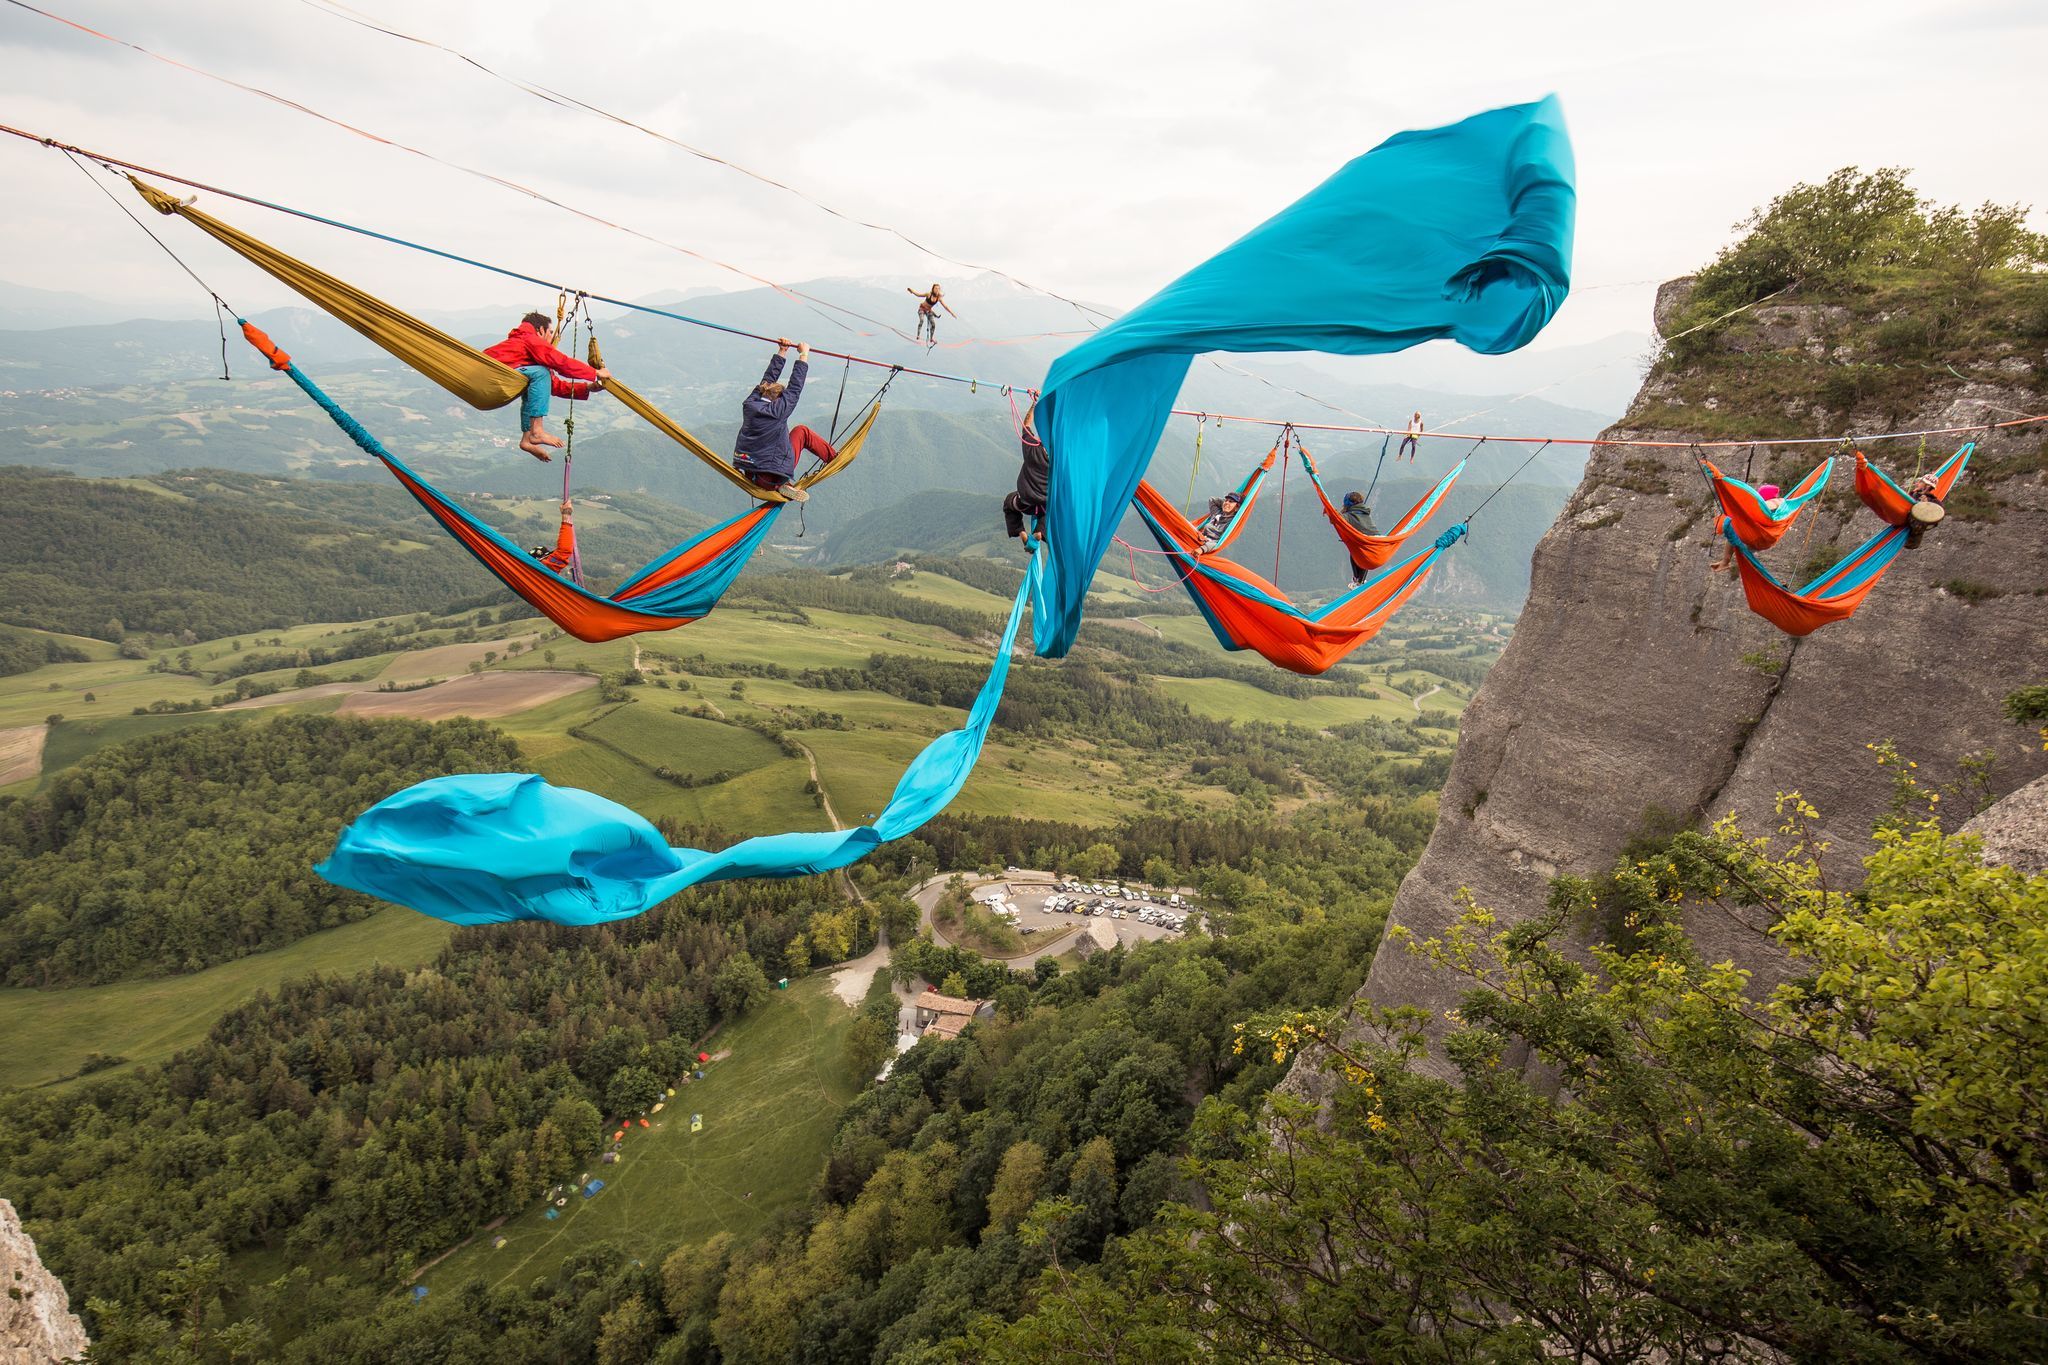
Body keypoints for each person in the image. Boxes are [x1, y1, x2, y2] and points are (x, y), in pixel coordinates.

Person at [484, 312, 610, 461]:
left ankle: (527, 438)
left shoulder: (525, 350)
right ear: (540, 330)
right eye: (550, 332)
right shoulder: (529, 338)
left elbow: (553, 385)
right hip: (489, 376)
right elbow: (561, 362)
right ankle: (536, 431)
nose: (552, 337)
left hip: (492, 378)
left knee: (532, 380)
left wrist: (587, 387)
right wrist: (595, 372)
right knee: (541, 373)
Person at [733, 340, 839, 501]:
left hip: (749, 471)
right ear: (779, 399)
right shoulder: (778, 410)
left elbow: (767, 380)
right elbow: (795, 387)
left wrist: (782, 351)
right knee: (801, 431)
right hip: (770, 478)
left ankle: (783, 484)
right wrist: (804, 354)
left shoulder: (750, 404)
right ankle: (834, 459)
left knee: (775, 443)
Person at [1003, 390, 1049, 552]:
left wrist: (1034, 403)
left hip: (1025, 501)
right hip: (1046, 503)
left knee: (1009, 503)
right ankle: (1039, 532)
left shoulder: (1031, 447)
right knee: (1050, 512)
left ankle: (1020, 532)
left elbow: (1026, 424)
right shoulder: (1060, 459)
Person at [1711, 482, 1783, 571]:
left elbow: (1769, 505)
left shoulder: (1774, 503)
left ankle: (1726, 562)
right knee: (1733, 533)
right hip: (1763, 538)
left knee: (1733, 530)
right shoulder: (1777, 508)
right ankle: (1726, 562)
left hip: (1759, 537)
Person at [1341, 491, 1378, 584]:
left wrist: (1331, 511)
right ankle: (1361, 580)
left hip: (1363, 540)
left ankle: (1357, 579)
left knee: (1355, 553)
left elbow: (1337, 519)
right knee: (1364, 556)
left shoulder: (1348, 515)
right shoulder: (1365, 512)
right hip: (1376, 540)